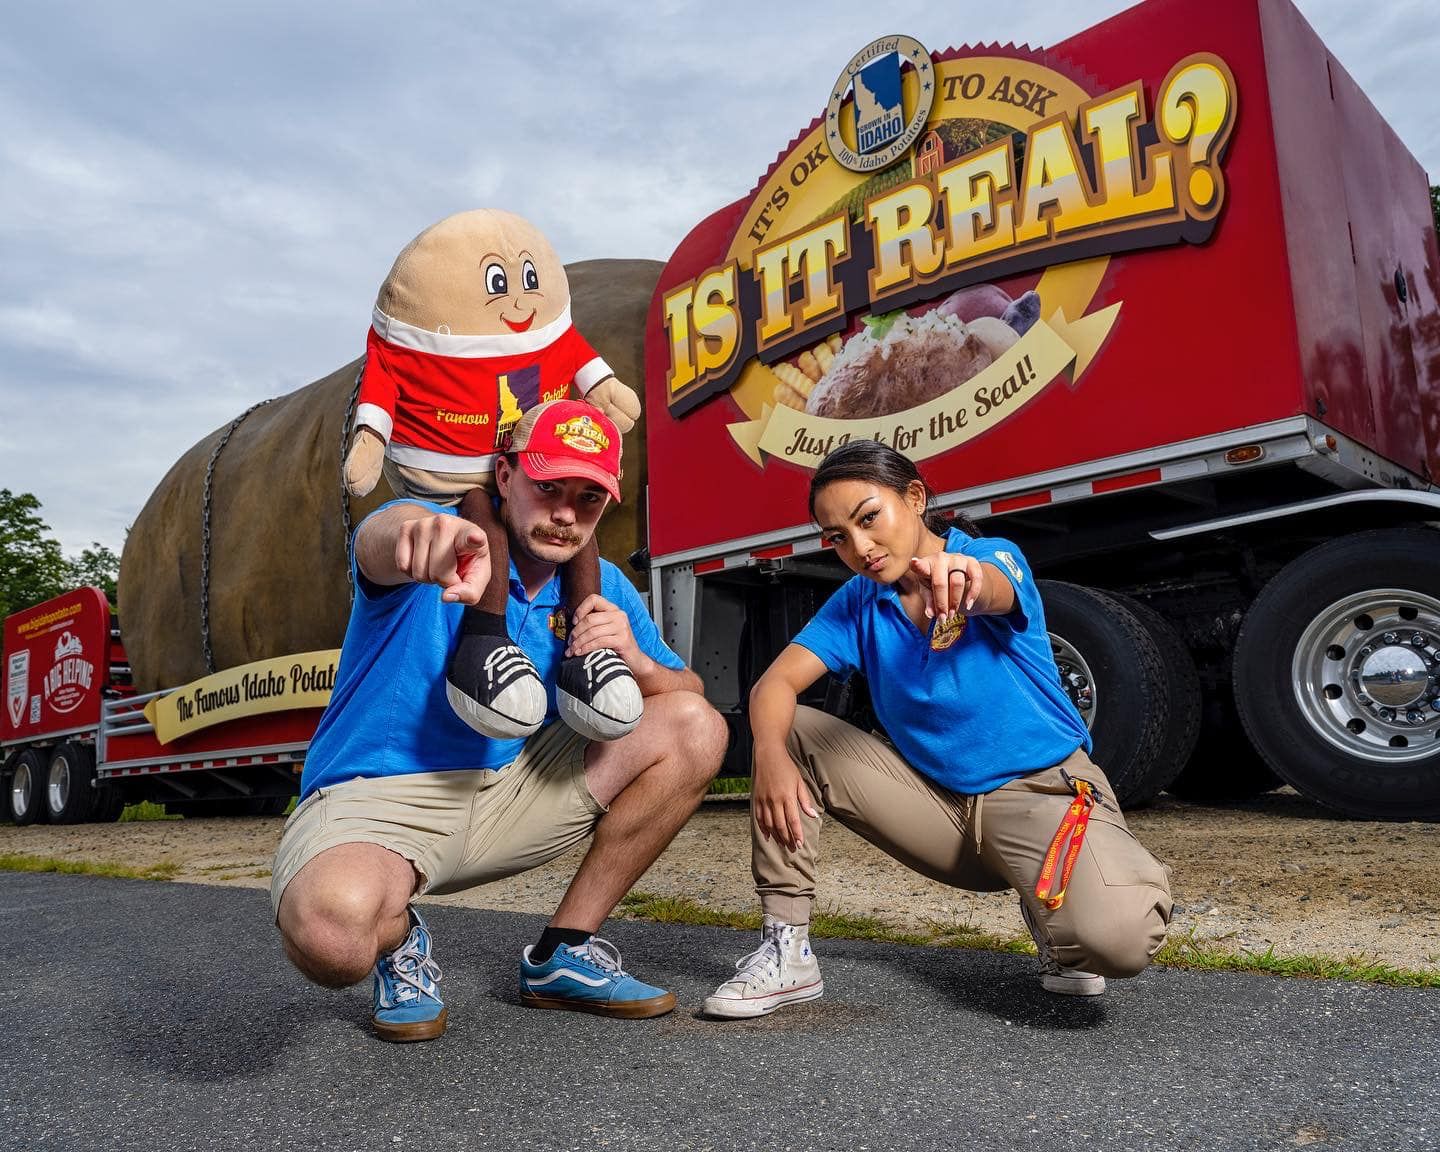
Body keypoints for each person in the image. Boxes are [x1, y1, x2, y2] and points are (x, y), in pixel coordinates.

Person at [273, 398, 727, 1042]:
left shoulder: (603, 588)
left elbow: (689, 687)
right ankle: (397, 938)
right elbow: (381, 540)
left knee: (695, 724)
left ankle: (562, 954)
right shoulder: (444, 535)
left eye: (588, 499)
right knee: (332, 939)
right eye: (548, 488)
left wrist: (636, 661)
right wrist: (417, 539)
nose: (566, 515)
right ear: (506, 475)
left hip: (513, 789)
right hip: (382, 798)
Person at [703, 440, 1172, 1019]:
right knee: (791, 728)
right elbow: (772, 686)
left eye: (869, 518)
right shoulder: (858, 603)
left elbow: (997, 588)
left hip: (1041, 797)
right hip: (939, 813)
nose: (860, 547)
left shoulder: (992, 557)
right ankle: (787, 949)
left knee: (1118, 942)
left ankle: (1064, 914)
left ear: (916, 498)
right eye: (838, 537)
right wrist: (770, 755)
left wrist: (967, 577)